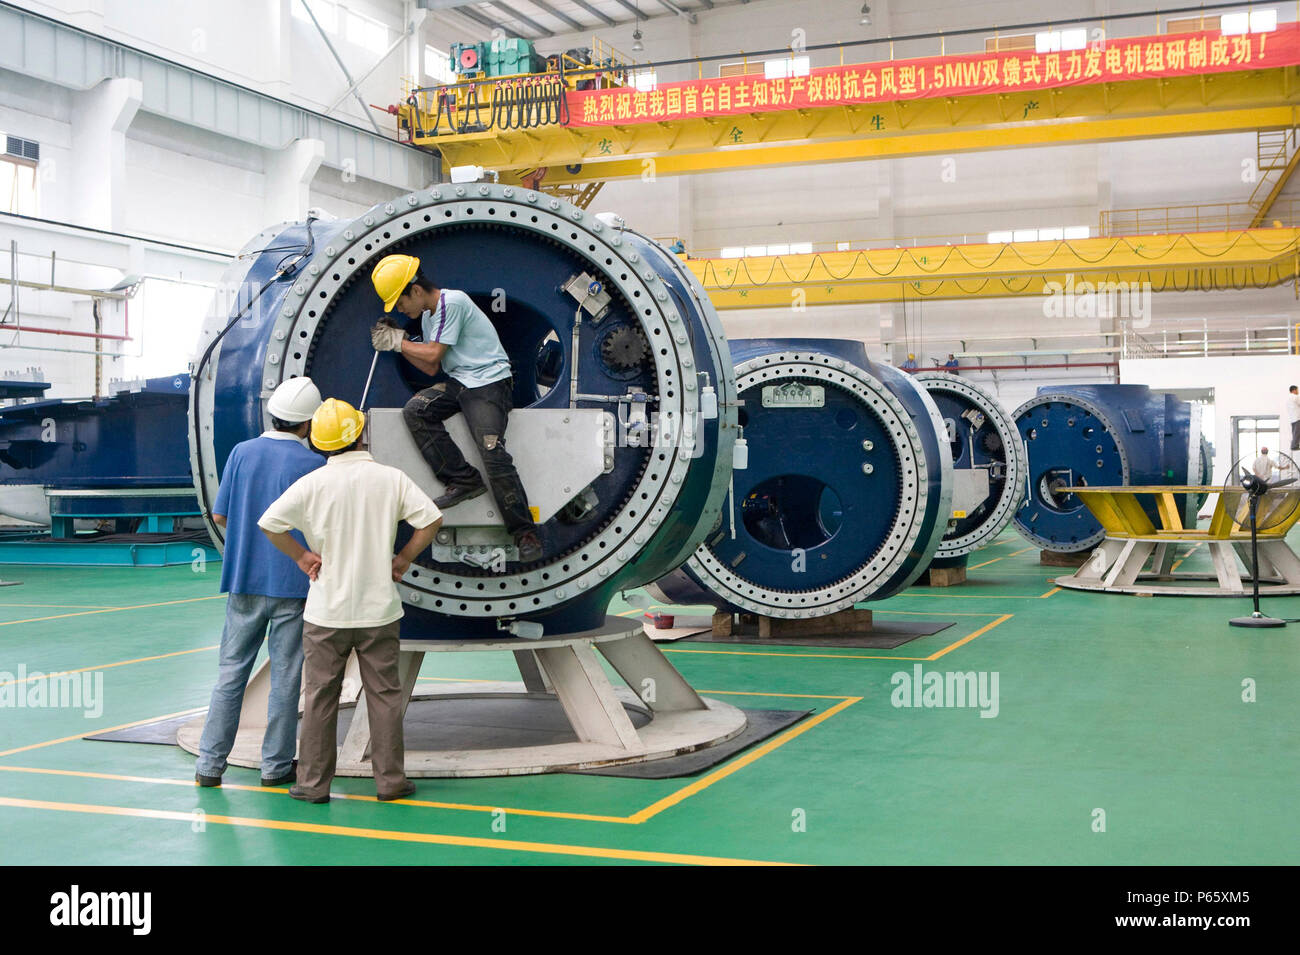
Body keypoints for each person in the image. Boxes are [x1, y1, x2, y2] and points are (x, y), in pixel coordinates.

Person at [259, 398, 443, 804]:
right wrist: (403, 559)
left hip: (327, 612)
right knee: (384, 695)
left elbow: (269, 523)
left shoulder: (312, 485)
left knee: (321, 696)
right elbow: (431, 518)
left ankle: (312, 784)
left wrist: (303, 556)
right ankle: (390, 782)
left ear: (320, 444)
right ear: (361, 434)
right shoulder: (390, 479)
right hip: (379, 609)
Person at [368, 254, 543, 565]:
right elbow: (432, 368)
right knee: (417, 410)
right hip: (460, 381)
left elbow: (433, 355)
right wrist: (405, 340)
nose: (400, 309)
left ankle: (524, 533)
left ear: (416, 290)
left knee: (492, 451)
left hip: (489, 383)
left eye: (399, 301)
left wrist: (398, 343)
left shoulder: (453, 302)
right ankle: (463, 480)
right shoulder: (427, 317)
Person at [195, 377, 324, 789]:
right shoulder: (314, 466)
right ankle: (276, 766)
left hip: (243, 581)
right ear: (307, 424)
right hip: (294, 585)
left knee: (230, 675)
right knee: (286, 678)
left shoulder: (241, 453)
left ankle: (209, 766)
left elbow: (221, 516)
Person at [1287, 385, 1300, 451]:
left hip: (1292, 418)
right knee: (1297, 432)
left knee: (1295, 432)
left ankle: (1295, 445)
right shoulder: (1295, 397)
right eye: (1297, 390)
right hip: (1297, 417)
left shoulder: (1288, 398)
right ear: (1294, 390)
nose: (1298, 391)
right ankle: (1294, 446)